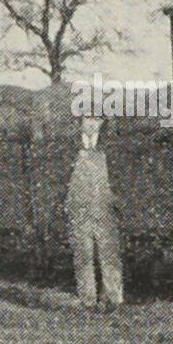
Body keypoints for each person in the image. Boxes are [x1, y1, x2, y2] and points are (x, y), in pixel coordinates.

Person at [66, 115, 123, 309]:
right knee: (83, 253)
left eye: (96, 119)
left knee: (109, 254)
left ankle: (113, 298)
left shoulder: (108, 149)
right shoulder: (73, 149)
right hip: (79, 208)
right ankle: (87, 299)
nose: (91, 123)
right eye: (87, 119)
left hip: (103, 207)